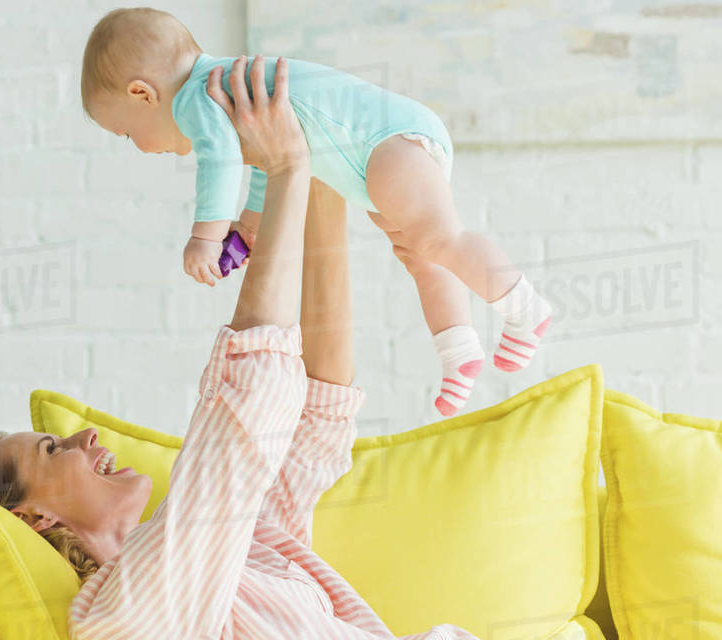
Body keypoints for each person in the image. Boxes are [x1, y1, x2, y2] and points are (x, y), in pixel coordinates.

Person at [0, 54, 722, 640]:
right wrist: (286, 172)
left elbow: (318, 409)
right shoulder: (124, 618)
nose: (87, 440)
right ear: (38, 521)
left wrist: (325, 185)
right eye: (54, 450)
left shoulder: (224, 556)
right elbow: (242, 414)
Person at [79, 7, 554, 418]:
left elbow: (219, 161)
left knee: (438, 240)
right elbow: (269, 157)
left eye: (125, 133)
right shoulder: (232, 91)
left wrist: (206, 237)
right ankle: (459, 350)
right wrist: (249, 225)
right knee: (419, 253)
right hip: (384, 150)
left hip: (386, 142)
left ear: (143, 94)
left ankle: (524, 308)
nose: (137, 148)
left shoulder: (199, 97)